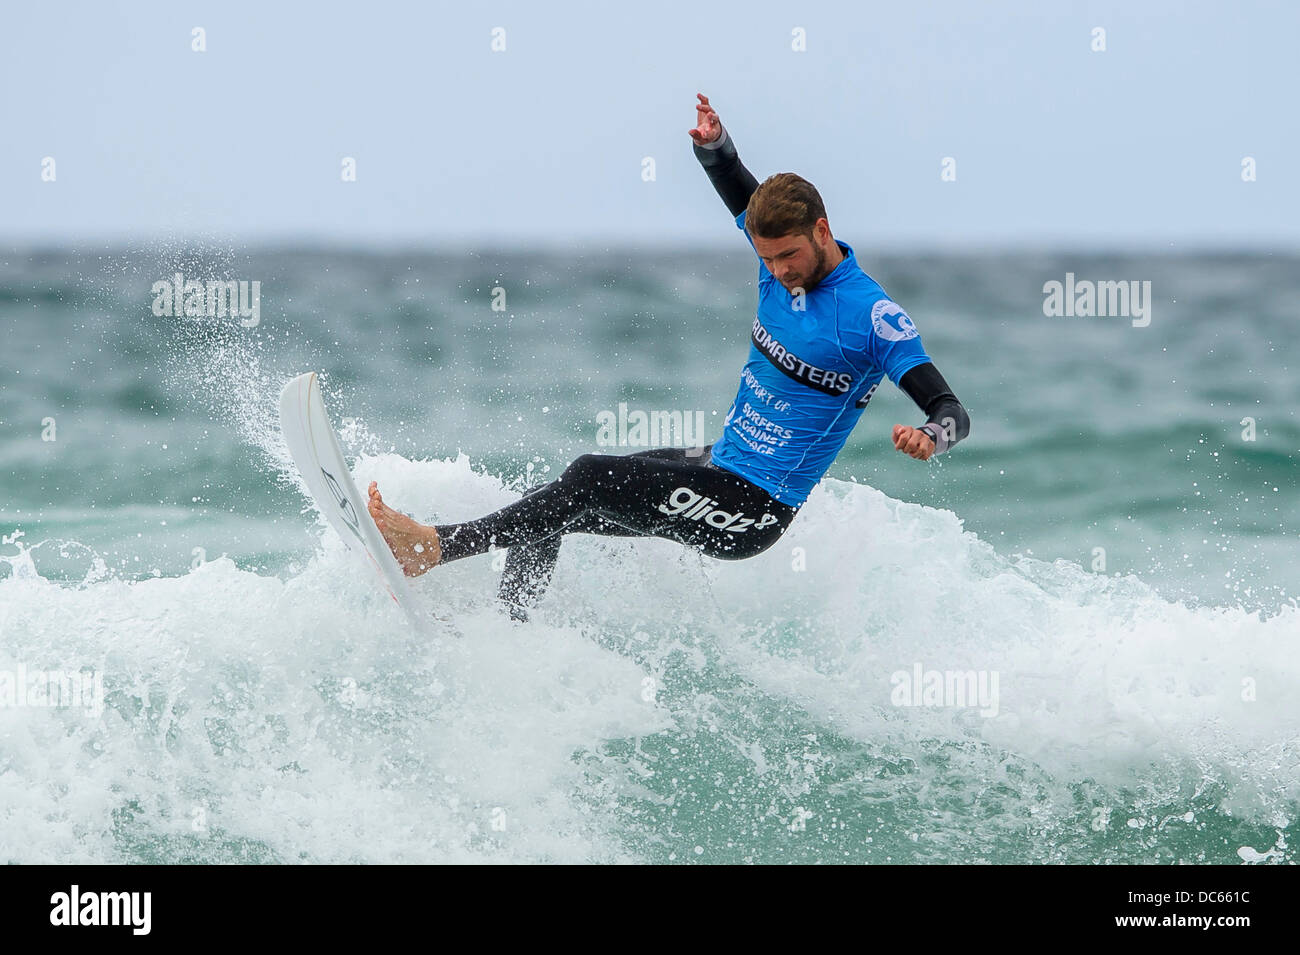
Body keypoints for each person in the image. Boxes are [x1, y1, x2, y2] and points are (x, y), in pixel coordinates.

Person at [368, 92, 971, 621]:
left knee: (588, 475)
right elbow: (740, 192)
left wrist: (931, 437)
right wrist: (717, 148)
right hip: (722, 464)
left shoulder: (872, 318)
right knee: (552, 497)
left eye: (787, 256)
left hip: (756, 508)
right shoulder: (774, 263)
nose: (779, 271)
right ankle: (508, 627)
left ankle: (436, 547)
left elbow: (949, 408)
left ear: (822, 231)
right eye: (766, 259)